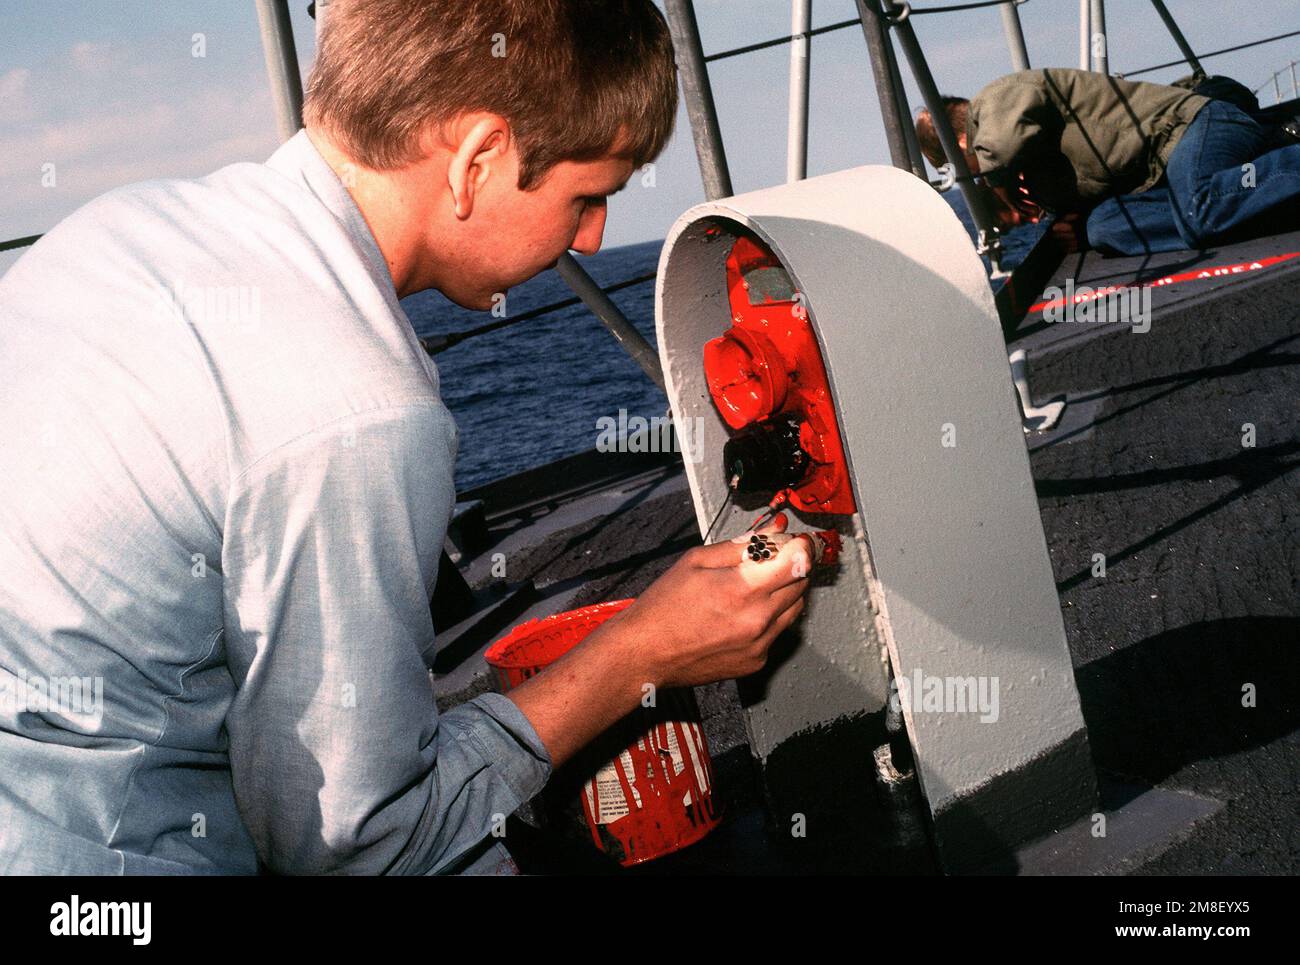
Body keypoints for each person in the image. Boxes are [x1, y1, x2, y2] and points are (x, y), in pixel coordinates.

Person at [0, 0, 812, 875]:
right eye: (590, 196)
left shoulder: (116, 231)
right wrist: (642, 651)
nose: (594, 235)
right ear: (475, 160)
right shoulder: (357, 409)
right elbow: (366, 845)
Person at [914, 68, 1300, 256]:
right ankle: (1254, 202)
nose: (974, 182)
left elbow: (999, 146)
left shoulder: (994, 99)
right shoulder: (1028, 168)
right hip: (1157, 174)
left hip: (1191, 127)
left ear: (965, 143)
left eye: (965, 171)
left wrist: (1002, 185)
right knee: (1103, 228)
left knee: (1200, 209)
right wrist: (1072, 226)